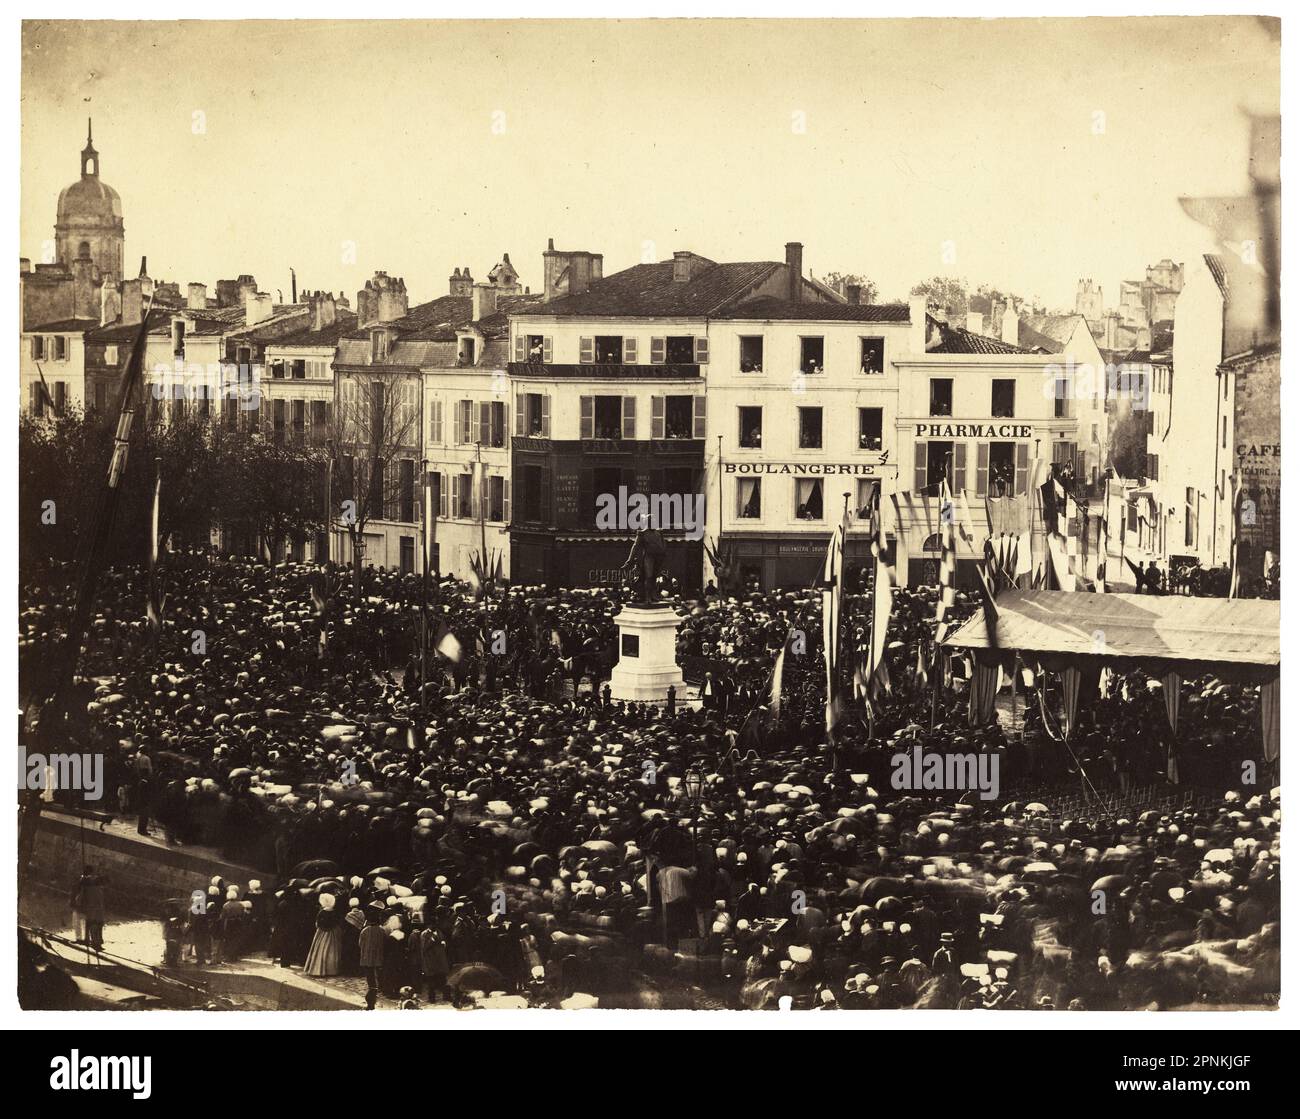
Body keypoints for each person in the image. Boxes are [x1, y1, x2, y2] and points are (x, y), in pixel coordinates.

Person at [304, 893, 344, 978]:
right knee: (332, 951)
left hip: (322, 933)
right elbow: (337, 922)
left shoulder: (322, 912)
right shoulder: (335, 912)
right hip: (333, 933)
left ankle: (319, 968)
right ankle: (332, 970)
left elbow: (318, 923)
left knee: (320, 950)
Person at [71, 866, 106, 950]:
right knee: (95, 922)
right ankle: (95, 941)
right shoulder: (97, 883)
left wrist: (77, 903)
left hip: (91, 905)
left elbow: (81, 895)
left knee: (91, 922)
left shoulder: (85, 882)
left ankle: (92, 941)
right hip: (97, 905)